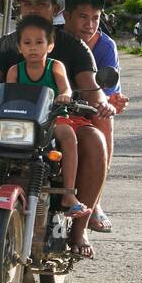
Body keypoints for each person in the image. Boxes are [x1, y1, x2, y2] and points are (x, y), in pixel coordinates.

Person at [0, 0, 115, 258]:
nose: (34, 9)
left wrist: (102, 104)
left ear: (56, 9)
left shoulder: (73, 48)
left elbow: (92, 88)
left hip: (63, 121)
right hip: (16, 124)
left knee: (95, 140)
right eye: (28, 4)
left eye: (42, 4)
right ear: (19, 8)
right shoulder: (4, 47)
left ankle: (79, 229)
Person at [7, 15, 88, 218]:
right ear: (19, 47)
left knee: (68, 135)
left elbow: (66, 88)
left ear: (50, 45)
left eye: (39, 42)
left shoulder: (55, 67)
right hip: (23, 121)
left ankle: (68, 194)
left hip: (52, 119)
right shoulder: (14, 70)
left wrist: (65, 96)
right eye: (27, 43)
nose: (33, 47)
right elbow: (8, 94)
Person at [62, 0, 128, 233]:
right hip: (50, 109)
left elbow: (108, 93)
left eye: (95, 18)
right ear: (66, 15)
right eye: (83, 17)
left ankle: (95, 201)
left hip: (86, 109)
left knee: (104, 119)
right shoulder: (50, 39)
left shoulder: (105, 46)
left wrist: (111, 102)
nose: (89, 24)